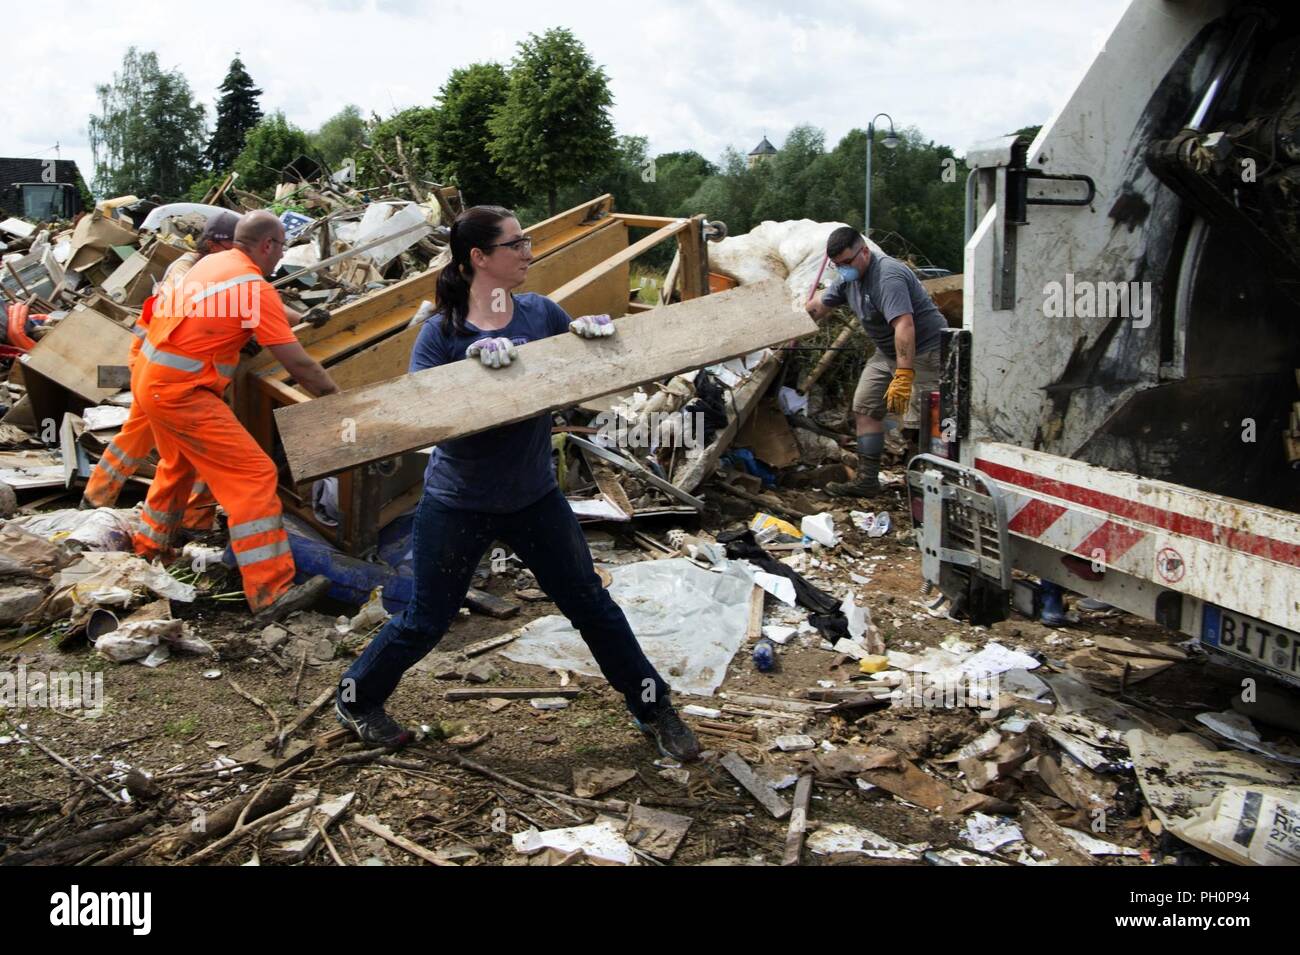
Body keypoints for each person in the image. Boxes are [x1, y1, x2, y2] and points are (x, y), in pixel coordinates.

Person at [335, 205, 701, 762]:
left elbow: (580, 374)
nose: (528, 250)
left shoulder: (541, 313)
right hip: (459, 502)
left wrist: (593, 342)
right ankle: (356, 699)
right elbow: (418, 408)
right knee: (427, 620)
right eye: (516, 243)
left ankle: (655, 709)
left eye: (527, 240)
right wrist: (470, 374)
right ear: (479, 257)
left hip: (534, 496)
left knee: (591, 606)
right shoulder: (441, 334)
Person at [130, 210, 339, 623]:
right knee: (255, 475)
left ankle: (150, 552)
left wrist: (298, 318)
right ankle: (271, 591)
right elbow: (299, 366)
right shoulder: (253, 285)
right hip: (183, 394)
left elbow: (249, 303)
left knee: (178, 465)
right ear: (268, 246)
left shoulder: (214, 264)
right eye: (281, 248)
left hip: (150, 381)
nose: (281, 257)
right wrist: (336, 398)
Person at [80, 211, 242, 526]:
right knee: (158, 442)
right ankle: (101, 501)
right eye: (232, 248)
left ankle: (191, 519)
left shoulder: (227, 271)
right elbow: (189, 303)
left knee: (172, 442)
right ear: (211, 245)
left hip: (176, 369)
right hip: (160, 364)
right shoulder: (183, 269)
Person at [804, 227, 947, 496]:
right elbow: (821, 305)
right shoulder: (849, 277)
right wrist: (792, 320)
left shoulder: (887, 276)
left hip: (926, 350)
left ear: (865, 252)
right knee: (866, 408)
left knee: (923, 424)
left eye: (846, 263)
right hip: (887, 351)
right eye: (837, 265)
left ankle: (925, 490)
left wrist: (904, 375)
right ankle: (867, 481)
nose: (843, 269)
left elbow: (905, 325)